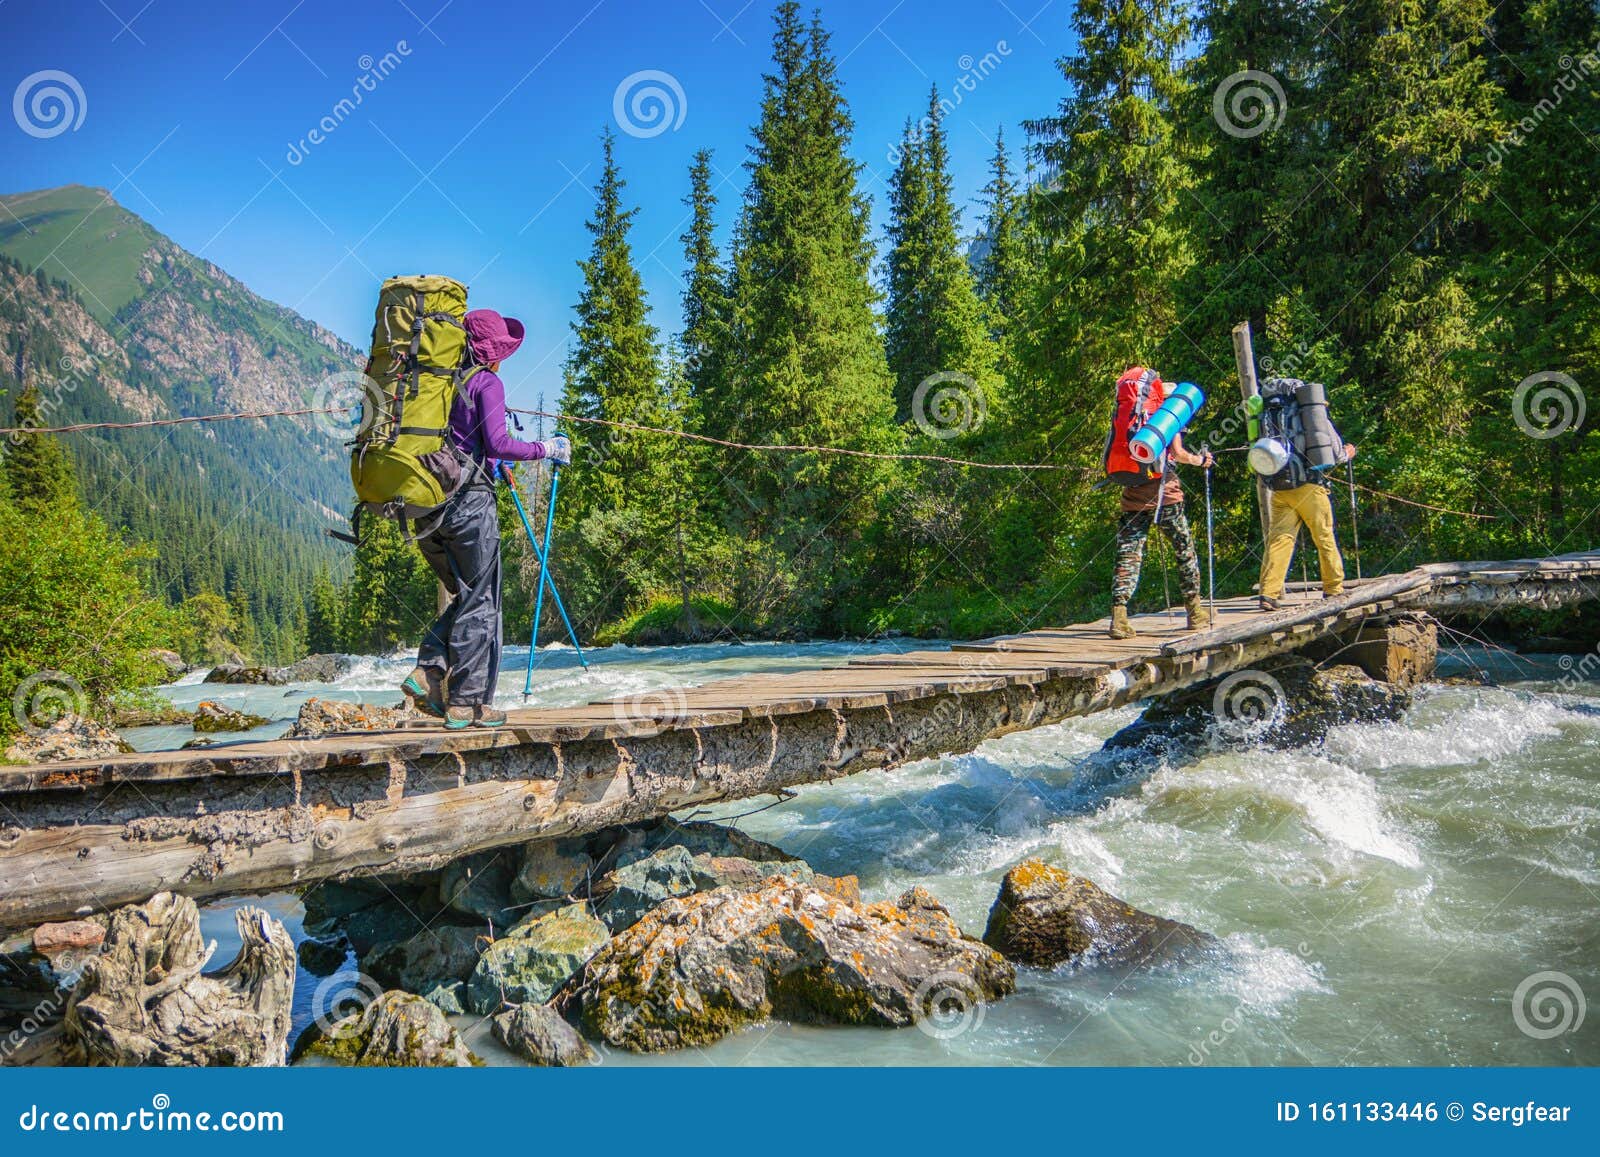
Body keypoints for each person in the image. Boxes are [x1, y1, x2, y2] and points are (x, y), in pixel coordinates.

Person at [400, 309, 571, 728]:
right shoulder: (485, 382)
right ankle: (467, 704)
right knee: (483, 602)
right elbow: (497, 440)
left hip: (423, 511)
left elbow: (464, 442)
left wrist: (490, 462)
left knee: (469, 596)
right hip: (468, 507)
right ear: (492, 352)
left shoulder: (434, 386)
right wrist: (546, 449)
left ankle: (430, 671)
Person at [1102, 367, 1215, 639]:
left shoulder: (1125, 416)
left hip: (1132, 492)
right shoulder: (1166, 418)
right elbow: (1178, 453)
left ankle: (1119, 616)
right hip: (1167, 494)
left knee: (1129, 552)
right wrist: (1201, 460)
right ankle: (1195, 612)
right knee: (1183, 549)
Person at [1257, 427, 1357, 611]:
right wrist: (1348, 453)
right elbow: (1336, 454)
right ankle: (1333, 588)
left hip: (1280, 487)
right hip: (1309, 486)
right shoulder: (1314, 415)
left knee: (1280, 540)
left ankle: (1268, 594)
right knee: (1323, 536)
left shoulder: (1272, 414)